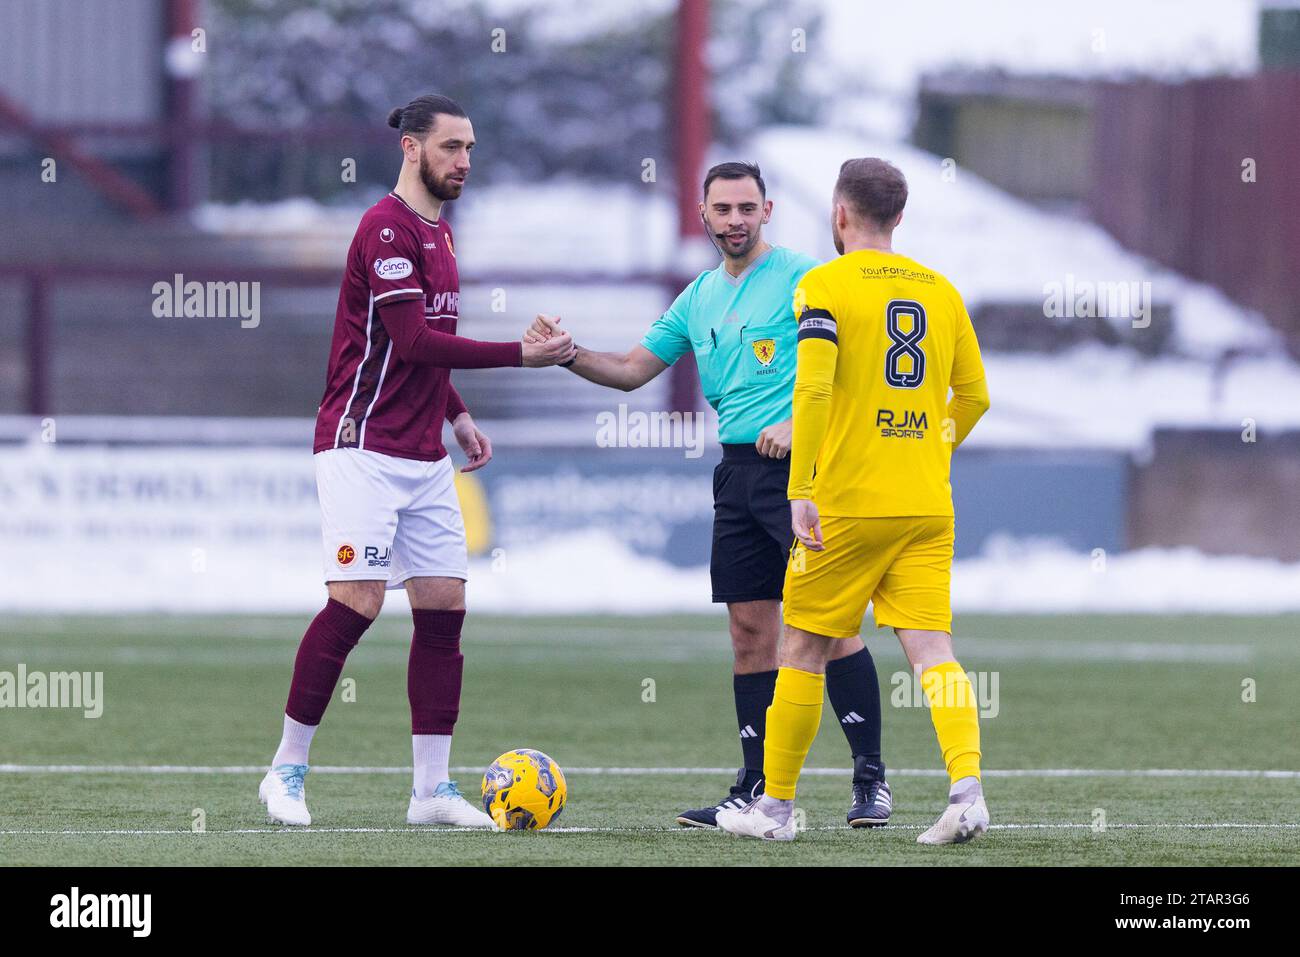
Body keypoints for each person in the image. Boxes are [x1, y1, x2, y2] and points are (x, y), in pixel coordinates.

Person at [528, 162, 891, 829]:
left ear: (768, 210)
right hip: (736, 475)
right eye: (722, 209)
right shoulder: (697, 296)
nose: (734, 220)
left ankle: (871, 780)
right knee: (750, 632)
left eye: (746, 208)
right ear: (703, 214)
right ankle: (754, 787)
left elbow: (856, 365)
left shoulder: (806, 278)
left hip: (804, 476)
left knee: (830, 626)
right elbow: (634, 370)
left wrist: (795, 422)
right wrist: (568, 352)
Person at [259, 94, 575, 827]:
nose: (464, 161)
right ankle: (286, 770)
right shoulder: (385, 229)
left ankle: (430, 790)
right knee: (357, 601)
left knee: (444, 608)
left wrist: (458, 415)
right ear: (411, 149)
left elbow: (430, 346)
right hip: (360, 446)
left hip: (421, 452)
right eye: (450, 147)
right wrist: (521, 357)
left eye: (469, 148)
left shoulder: (441, 232)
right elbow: (411, 343)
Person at [716, 157, 991, 844]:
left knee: (803, 645)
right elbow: (976, 396)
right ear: (899, 217)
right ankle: (967, 791)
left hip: (848, 502)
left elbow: (809, 391)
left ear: (840, 214)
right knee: (933, 650)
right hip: (925, 500)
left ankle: (774, 808)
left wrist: (802, 488)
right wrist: (929, 445)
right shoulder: (942, 290)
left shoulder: (824, 284)